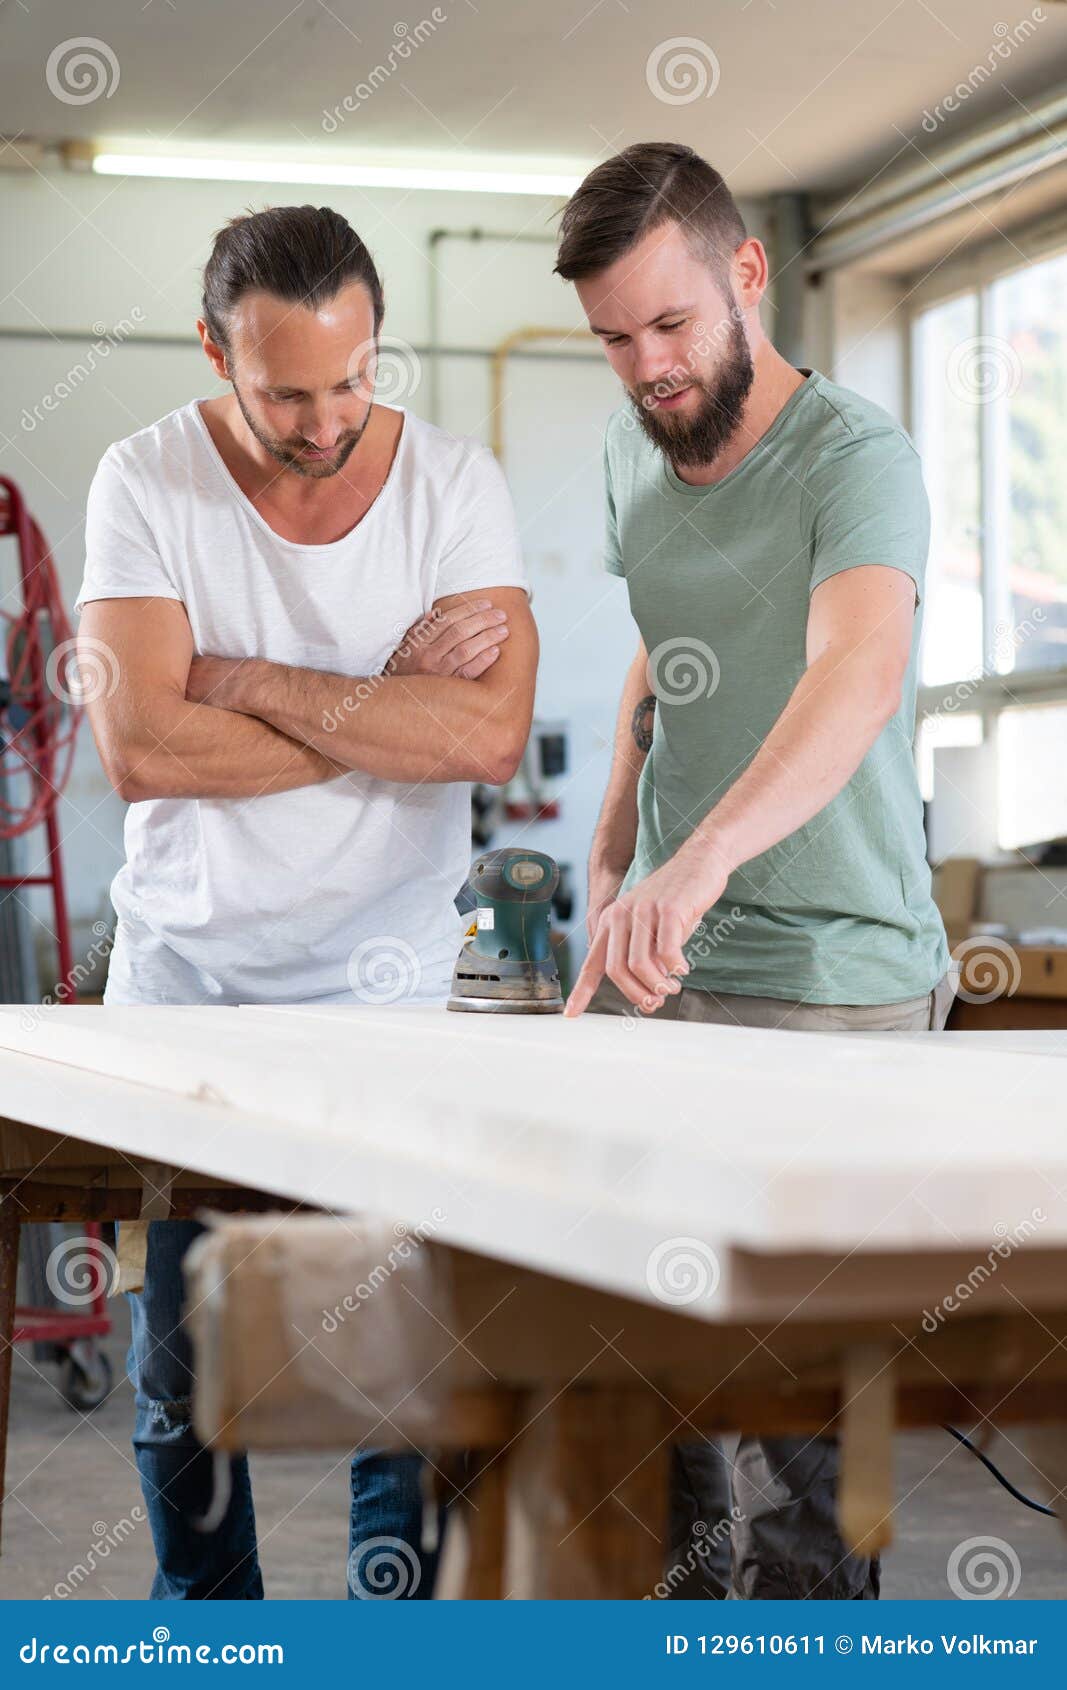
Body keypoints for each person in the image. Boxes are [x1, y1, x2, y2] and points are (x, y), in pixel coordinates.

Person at [76, 204, 537, 1598]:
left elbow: (483, 740)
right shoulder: (144, 478)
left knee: (395, 1366)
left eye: (355, 378)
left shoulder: (457, 481)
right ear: (214, 351)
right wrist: (383, 699)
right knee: (183, 1358)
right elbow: (143, 748)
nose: (328, 418)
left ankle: (381, 1639)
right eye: (286, 391)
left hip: (389, 986)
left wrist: (256, 678)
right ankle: (212, 1629)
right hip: (186, 983)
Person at [557, 143, 951, 1601]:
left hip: (834, 981)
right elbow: (664, 654)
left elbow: (858, 671)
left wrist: (707, 850)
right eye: (613, 340)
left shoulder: (858, 459)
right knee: (638, 1378)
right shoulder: (629, 449)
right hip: (667, 967)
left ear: (747, 275)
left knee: (797, 1434)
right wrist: (614, 846)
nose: (647, 367)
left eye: (669, 327)